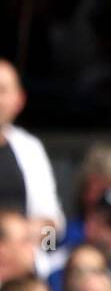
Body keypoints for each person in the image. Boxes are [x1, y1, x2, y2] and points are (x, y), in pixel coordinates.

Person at [0, 60, 64, 263]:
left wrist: (22, 237)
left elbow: (54, 228)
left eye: (2, 90)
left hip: (27, 266)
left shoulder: (30, 148)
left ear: (19, 100)